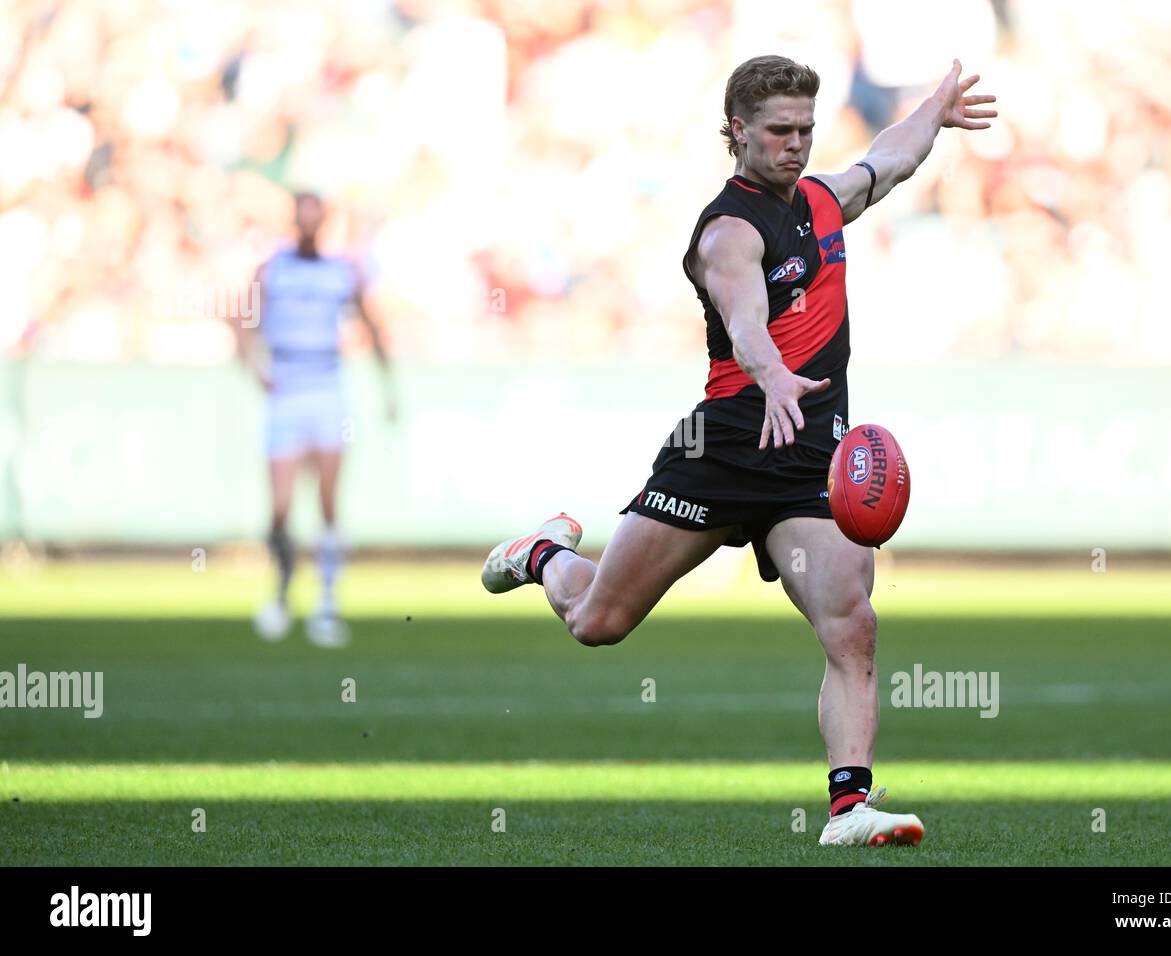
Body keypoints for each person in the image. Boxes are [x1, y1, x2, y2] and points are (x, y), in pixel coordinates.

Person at [481, 56, 995, 846]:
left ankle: (848, 808)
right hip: (723, 447)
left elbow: (887, 161)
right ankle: (543, 552)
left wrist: (934, 109)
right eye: (779, 131)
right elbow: (745, 319)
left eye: (805, 130)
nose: (795, 145)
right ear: (738, 133)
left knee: (852, 622)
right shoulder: (727, 231)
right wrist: (776, 377)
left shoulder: (822, 200)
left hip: (807, 459)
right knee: (597, 622)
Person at [233, 191, 395, 648]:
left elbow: (372, 324)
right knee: (280, 508)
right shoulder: (271, 270)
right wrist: (255, 369)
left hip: (327, 392)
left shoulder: (341, 271)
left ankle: (327, 600)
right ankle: (283, 592)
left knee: (327, 501)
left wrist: (389, 387)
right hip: (286, 393)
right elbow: (242, 325)